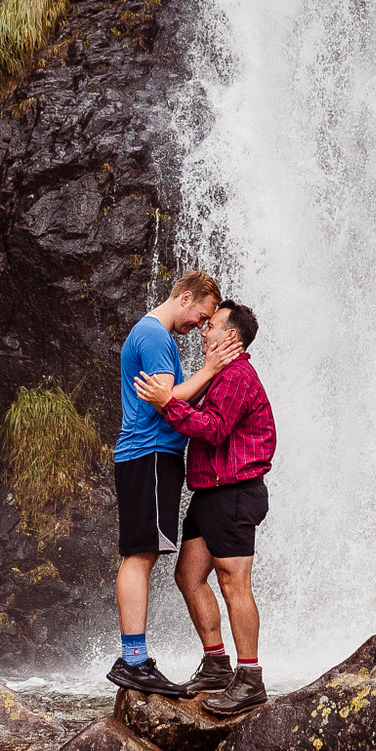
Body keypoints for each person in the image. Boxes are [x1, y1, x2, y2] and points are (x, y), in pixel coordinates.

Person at [135, 299, 275, 717]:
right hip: (211, 492)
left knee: (235, 583)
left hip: (235, 491)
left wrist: (166, 402)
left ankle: (250, 679)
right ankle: (216, 664)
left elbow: (213, 430)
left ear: (230, 336)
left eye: (210, 325)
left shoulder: (237, 375)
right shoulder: (219, 376)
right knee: (189, 576)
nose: (203, 330)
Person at [108, 269, 233, 694]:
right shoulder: (157, 336)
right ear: (185, 299)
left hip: (144, 455)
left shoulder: (147, 333)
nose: (201, 324)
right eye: (202, 315)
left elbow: (170, 396)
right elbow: (167, 400)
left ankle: (134, 657)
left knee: (140, 553)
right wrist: (213, 367)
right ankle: (134, 660)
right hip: (150, 454)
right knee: (141, 556)